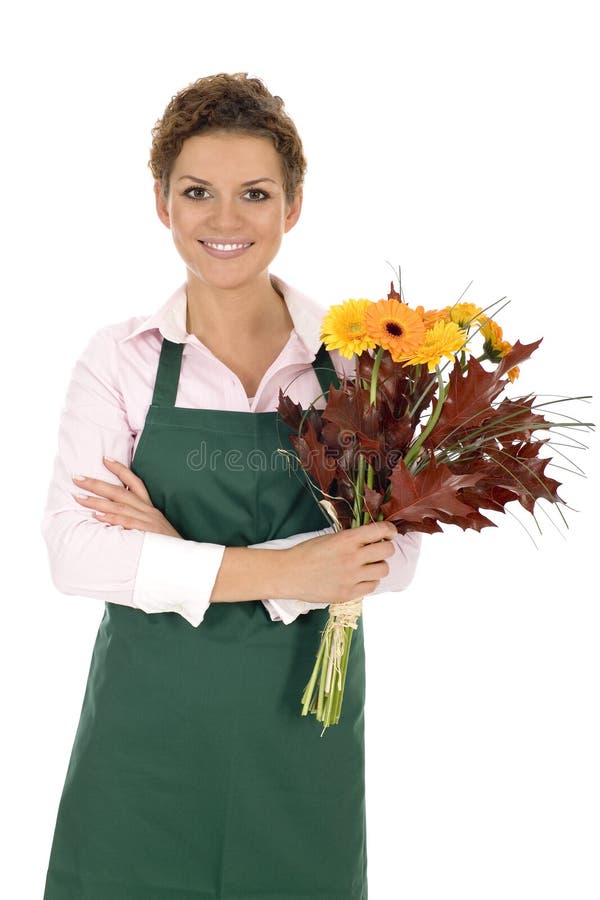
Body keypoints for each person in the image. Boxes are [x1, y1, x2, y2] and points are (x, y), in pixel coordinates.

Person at [41, 72, 421, 900]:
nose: (224, 220)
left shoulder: (355, 364)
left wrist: (173, 556)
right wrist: (293, 573)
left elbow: (392, 556)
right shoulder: (123, 358)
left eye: (253, 193)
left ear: (292, 206)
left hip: (302, 742)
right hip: (145, 750)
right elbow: (75, 554)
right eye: (197, 192)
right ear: (161, 203)